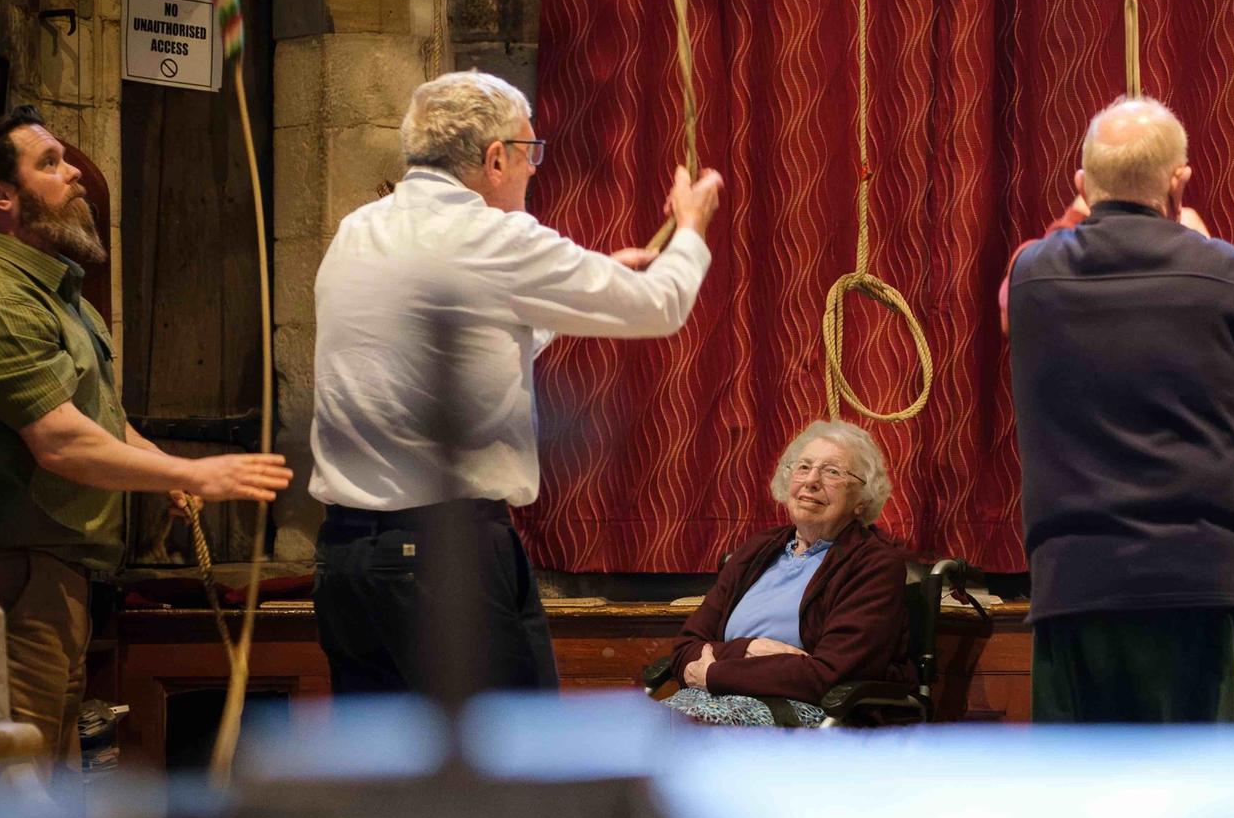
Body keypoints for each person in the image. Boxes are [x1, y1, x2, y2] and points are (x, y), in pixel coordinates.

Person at [309, 70, 721, 696]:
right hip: (446, 561)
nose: (534, 169)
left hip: (348, 561)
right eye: (531, 153)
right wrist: (690, 229)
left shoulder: (359, 228)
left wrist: (579, 290)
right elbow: (660, 305)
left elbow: (467, 341)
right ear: (496, 157)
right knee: (511, 772)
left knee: (389, 778)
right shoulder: (493, 236)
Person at [0, 106, 292, 768]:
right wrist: (192, 475)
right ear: (1, 197)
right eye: (49, 163)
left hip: (56, 571)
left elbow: (96, 413)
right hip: (16, 573)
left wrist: (155, 462)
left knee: (53, 764)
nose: (75, 171)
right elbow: (62, 441)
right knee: (21, 775)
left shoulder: (54, 291)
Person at [1002, 96, 1234, 724]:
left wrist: (1081, 210)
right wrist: (1198, 238)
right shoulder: (1228, 271)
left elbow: (1015, 299)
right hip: (1205, 578)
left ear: (1083, 186)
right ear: (1179, 183)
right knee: (1213, 799)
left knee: (1086, 803)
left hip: (1078, 583)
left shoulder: (1030, 276)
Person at [660, 420, 913, 726]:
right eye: (804, 467)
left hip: (806, 709)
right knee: (622, 734)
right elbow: (686, 647)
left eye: (833, 471)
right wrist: (747, 649)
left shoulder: (874, 564)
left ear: (862, 499)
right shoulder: (758, 550)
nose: (812, 481)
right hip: (707, 698)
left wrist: (716, 672)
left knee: (675, 740)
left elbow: (829, 674)